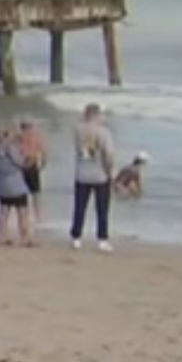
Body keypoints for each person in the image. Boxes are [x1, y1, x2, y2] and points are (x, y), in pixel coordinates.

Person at [69, 103, 117, 251]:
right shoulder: (103, 132)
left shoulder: (78, 130)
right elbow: (108, 154)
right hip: (100, 175)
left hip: (82, 173)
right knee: (102, 209)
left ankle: (76, 237)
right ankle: (102, 239)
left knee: (79, 207)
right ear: (97, 115)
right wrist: (110, 171)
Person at [0, 122, 34, 246]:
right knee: (22, 210)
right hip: (15, 183)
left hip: (0, 181)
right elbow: (19, 162)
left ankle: (2, 236)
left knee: (4, 209)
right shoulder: (10, 147)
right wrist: (28, 159)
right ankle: (24, 238)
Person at [17, 118, 47, 223]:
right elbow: (43, 151)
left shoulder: (18, 137)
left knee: (22, 194)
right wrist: (43, 163)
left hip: (21, 166)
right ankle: (38, 217)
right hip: (31, 165)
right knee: (36, 193)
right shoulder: (35, 137)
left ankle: (25, 217)